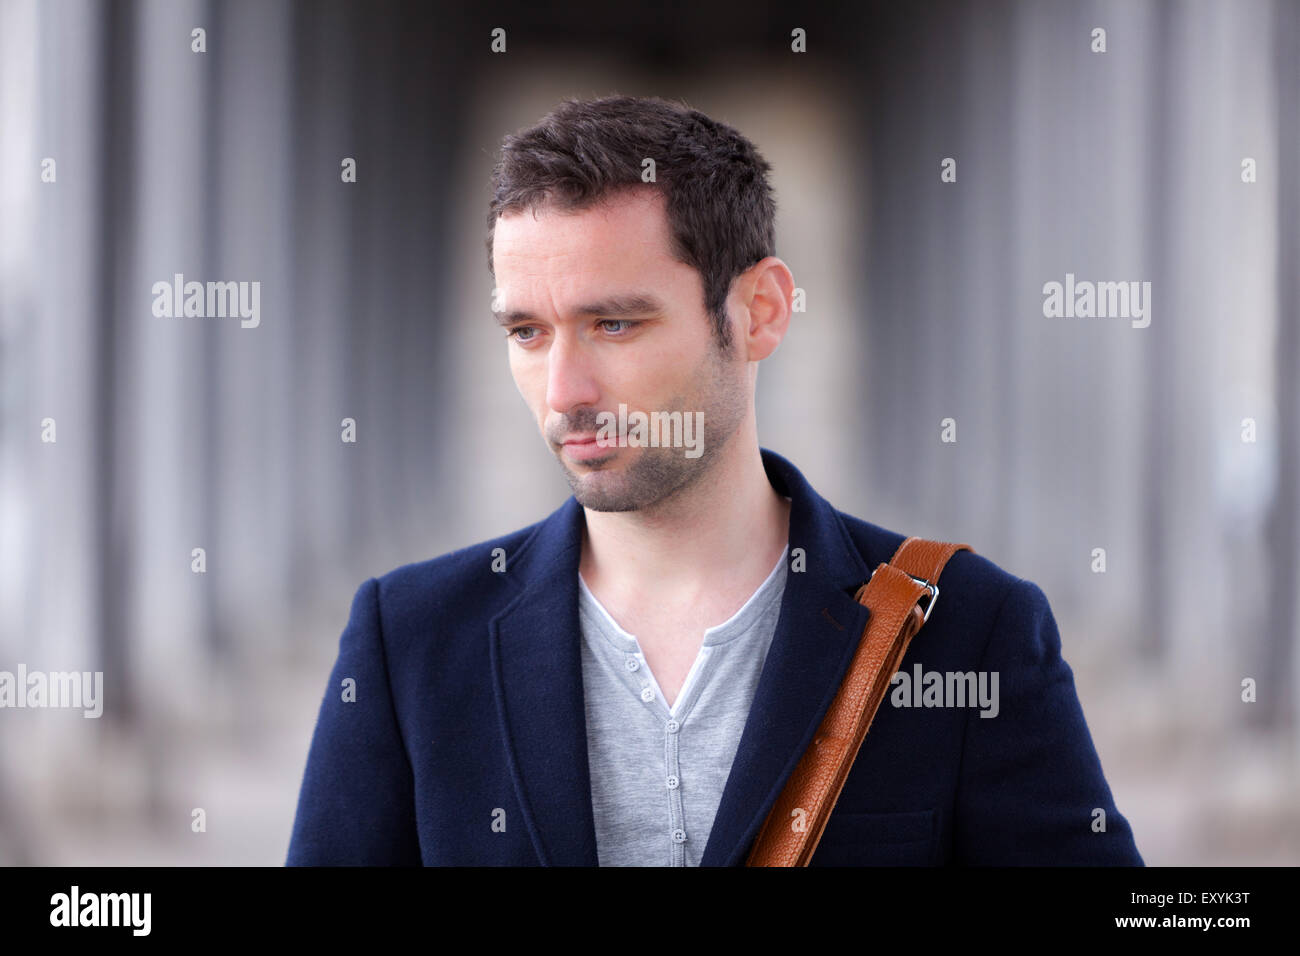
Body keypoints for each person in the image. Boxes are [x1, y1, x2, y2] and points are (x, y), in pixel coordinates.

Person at [286, 94, 1142, 866]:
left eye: (615, 324)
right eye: (526, 333)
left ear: (760, 311)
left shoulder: (968, 630)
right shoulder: (410, 644)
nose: (564, 393)